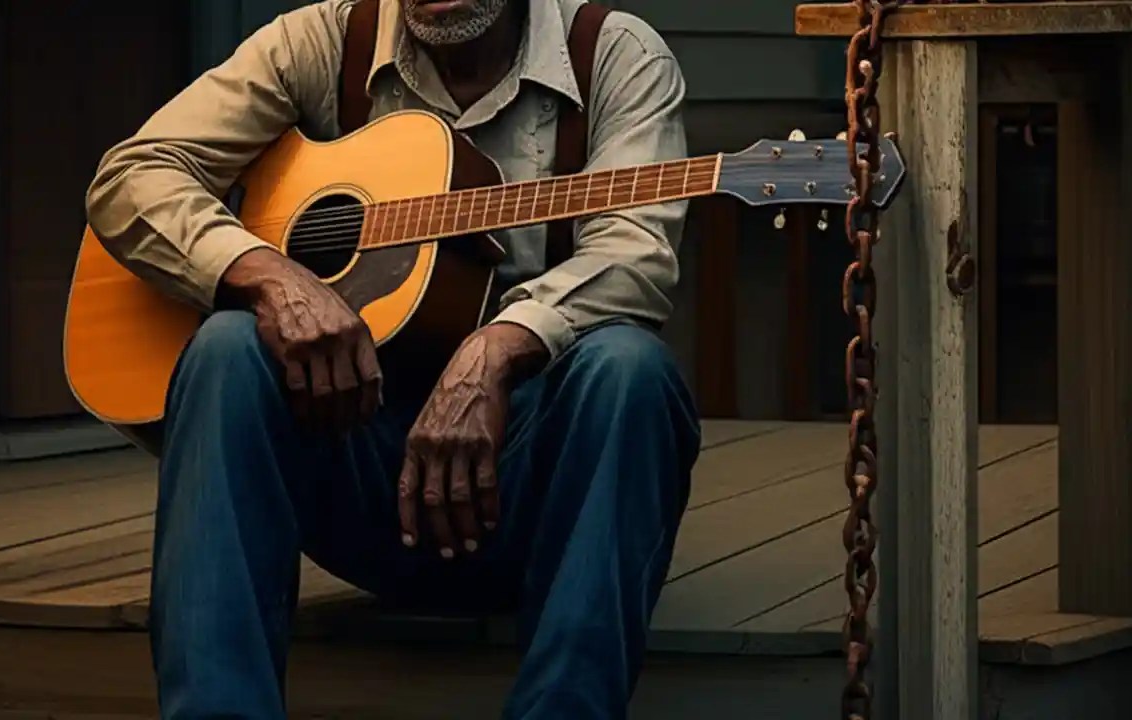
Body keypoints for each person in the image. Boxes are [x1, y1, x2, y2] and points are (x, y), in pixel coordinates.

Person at [84, 0, 700, 717]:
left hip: (527, 484)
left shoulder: (615, 55)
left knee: (630, 369)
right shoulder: (319, 41)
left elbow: (635, 250)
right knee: (226, 347)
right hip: (352, 450)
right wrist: (268, 275)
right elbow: (135, 173)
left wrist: (495, 349)